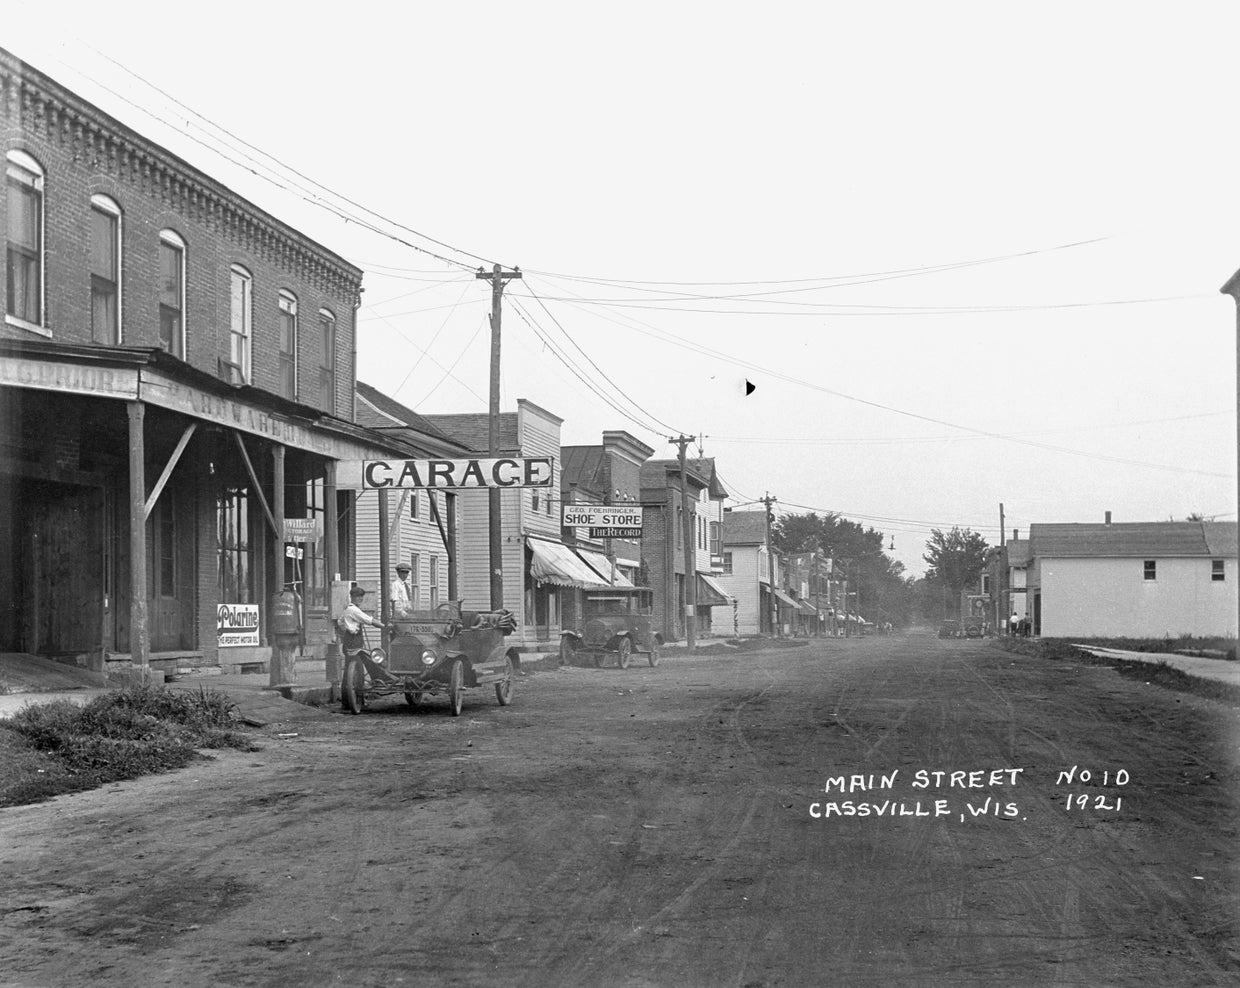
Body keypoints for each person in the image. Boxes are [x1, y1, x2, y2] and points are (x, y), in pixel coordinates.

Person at [340, 585, 393, 683]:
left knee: (349, 668)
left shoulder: (347, 609)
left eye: (361, 596)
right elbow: (370, 620)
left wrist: (347, 628)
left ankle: (348, 693)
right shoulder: (354, 610)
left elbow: (340, 623)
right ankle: (377, 680)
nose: (360, 598)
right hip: (353, 641)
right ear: (352, 597)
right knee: (364, 663)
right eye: (357, 596)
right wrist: (384, 626)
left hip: (348, 640)